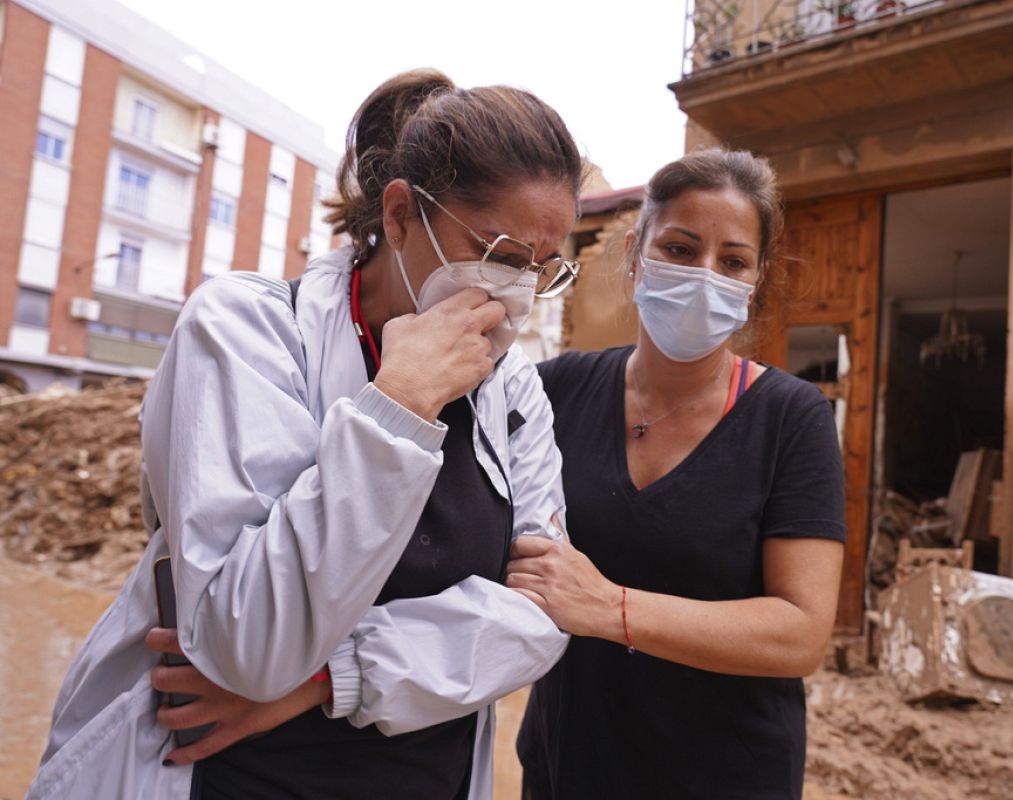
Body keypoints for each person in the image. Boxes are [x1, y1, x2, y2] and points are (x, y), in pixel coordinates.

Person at [28, 69, 583, 800]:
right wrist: (402, 404)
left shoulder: (514, 391)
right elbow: (247, 643)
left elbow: (541, 616)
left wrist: (330, 678)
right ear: (400, 216)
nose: (518, 292)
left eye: (545, 270)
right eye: (503, 254)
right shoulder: (245, 331)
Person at [509, 149, 847, 799]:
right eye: (681, 248)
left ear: (757, 278)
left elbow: (799, 633)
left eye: (733, 261)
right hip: (566, 765)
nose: (704, 276)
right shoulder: (552, 392)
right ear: (635, 254)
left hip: (723, 775)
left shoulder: (791, 419)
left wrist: (612, 608)